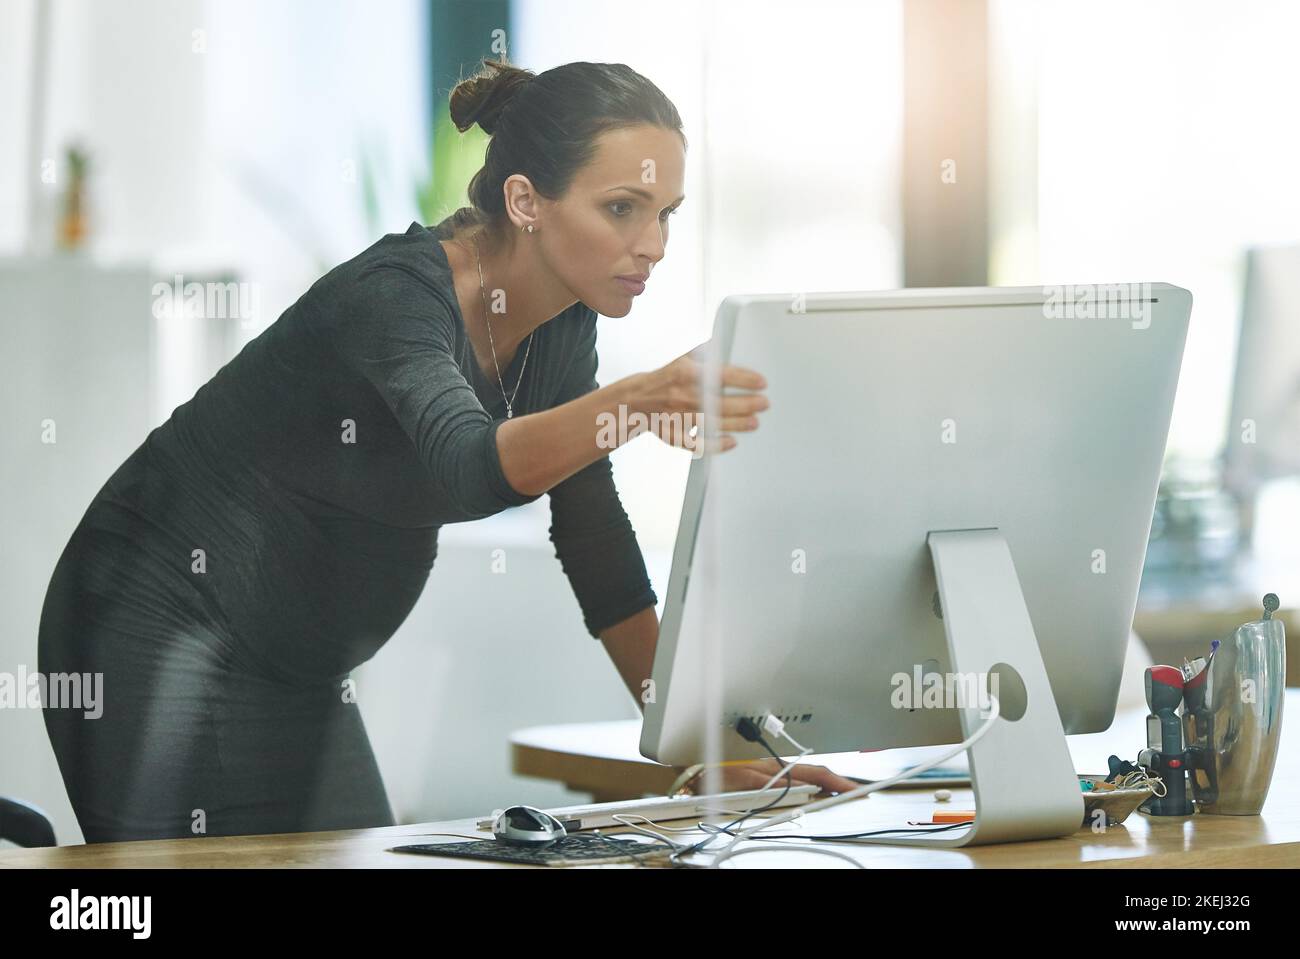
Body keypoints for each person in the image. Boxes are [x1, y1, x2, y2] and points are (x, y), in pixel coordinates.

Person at [37, 56, 855, 844]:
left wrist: (700, 749)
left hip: (300, 667)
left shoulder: (563, 326)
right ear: (527, 200)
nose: (654, 244)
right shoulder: (396, 297)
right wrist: (637, 399)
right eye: (622, 208)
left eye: (667, 212)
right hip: (156, 624)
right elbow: (468, 465)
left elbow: (593, 537)